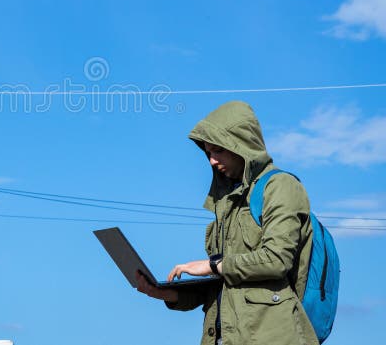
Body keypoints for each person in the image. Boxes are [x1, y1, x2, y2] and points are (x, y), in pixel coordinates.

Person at [136, 101, 319, 345]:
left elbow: (277, 260)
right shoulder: (226, 202)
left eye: (218, 151)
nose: (211, 160)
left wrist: (212, 265)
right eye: (208, 153)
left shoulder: (281, 187)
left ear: (242, 145)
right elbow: (223, 283)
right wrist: (166, 294)